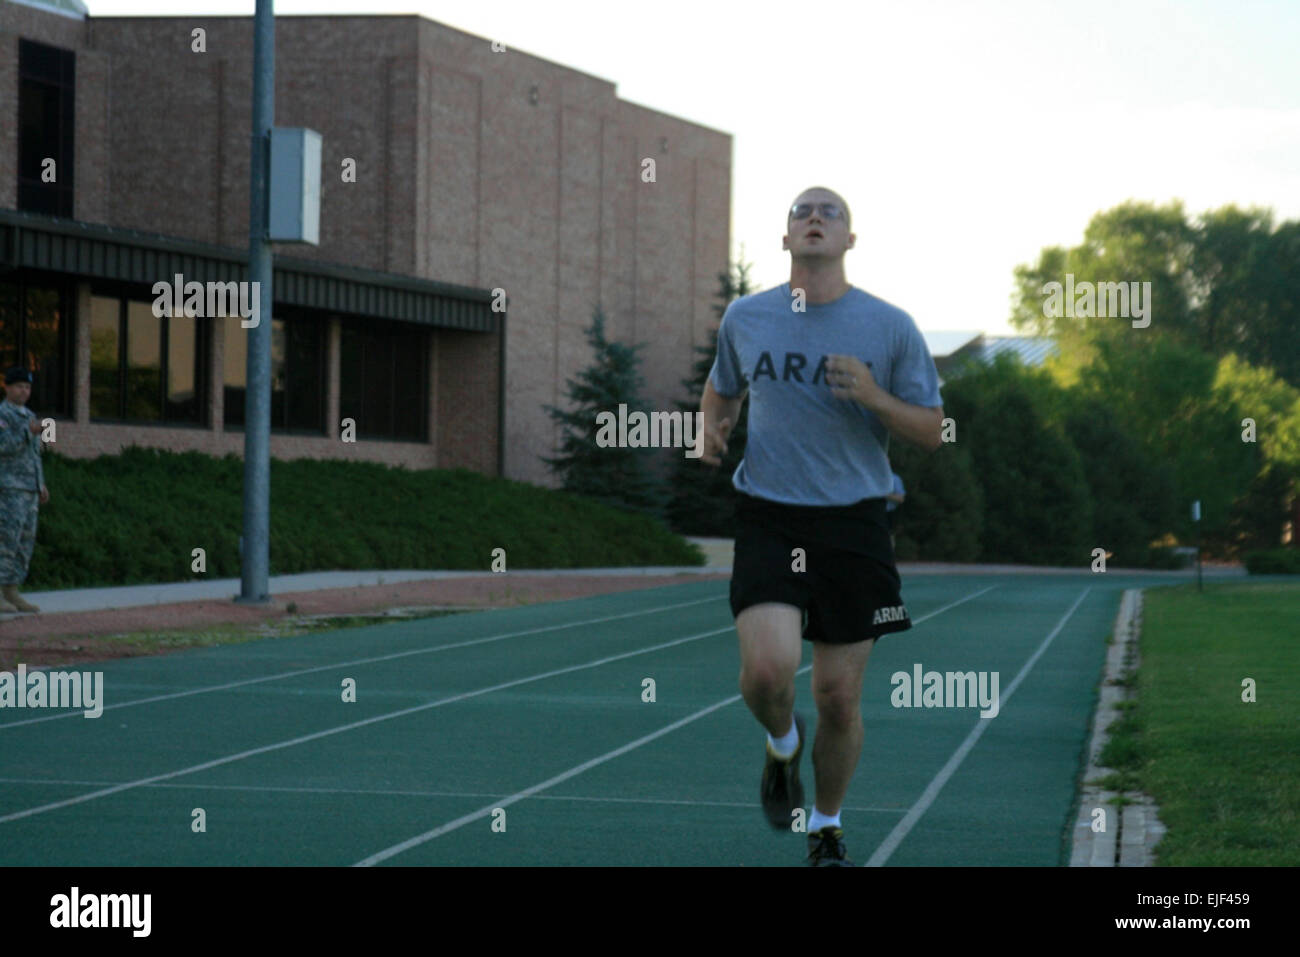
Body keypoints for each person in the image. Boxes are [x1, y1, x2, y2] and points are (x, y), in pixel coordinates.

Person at [699, 187, 943, 866]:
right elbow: (722, 386)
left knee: (837, 695)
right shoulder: (748, 317)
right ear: (785, 241)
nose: (813, 218)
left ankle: (826, 825)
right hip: (771, 513)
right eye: (801, 212)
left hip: (855, 522)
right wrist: (710, 430)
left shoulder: (890, 327)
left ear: (849, 241)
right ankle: (782, 745)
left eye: (829, 211)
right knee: (767, 670)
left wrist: (872, 395)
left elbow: (931, 429)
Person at [0, 367, 49, 614]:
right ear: (7, 387)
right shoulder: (3, 414)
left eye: (28, 387)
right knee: (5, 540)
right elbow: (3, 447)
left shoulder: (30, 416)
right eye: (19, 386)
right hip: (8, 488)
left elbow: (35, 454)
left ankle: (12, 591)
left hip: (28, 489)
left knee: (23, 543)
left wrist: (40, 484)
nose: (24, 391)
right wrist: (26, 432)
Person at [885, 470, 906, 550]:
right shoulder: (870, 477)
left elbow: (901, 498)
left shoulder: (894, 479)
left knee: (889, 536)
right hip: (870, 511)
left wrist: (884, 495)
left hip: (888, 512)